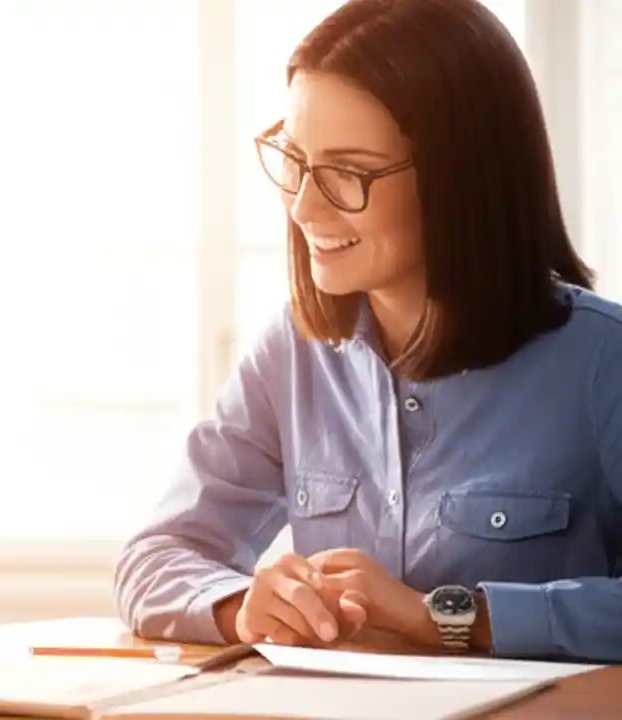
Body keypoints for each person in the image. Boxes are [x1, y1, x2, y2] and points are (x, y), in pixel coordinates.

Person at [115, 0, 622, 663]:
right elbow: (156, 557)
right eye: (294, 159)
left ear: (461, 178)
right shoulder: (289, 356)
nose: (303, 205)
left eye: (348, 172)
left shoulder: (600, 363)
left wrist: (448, 616)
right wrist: (243, 606)